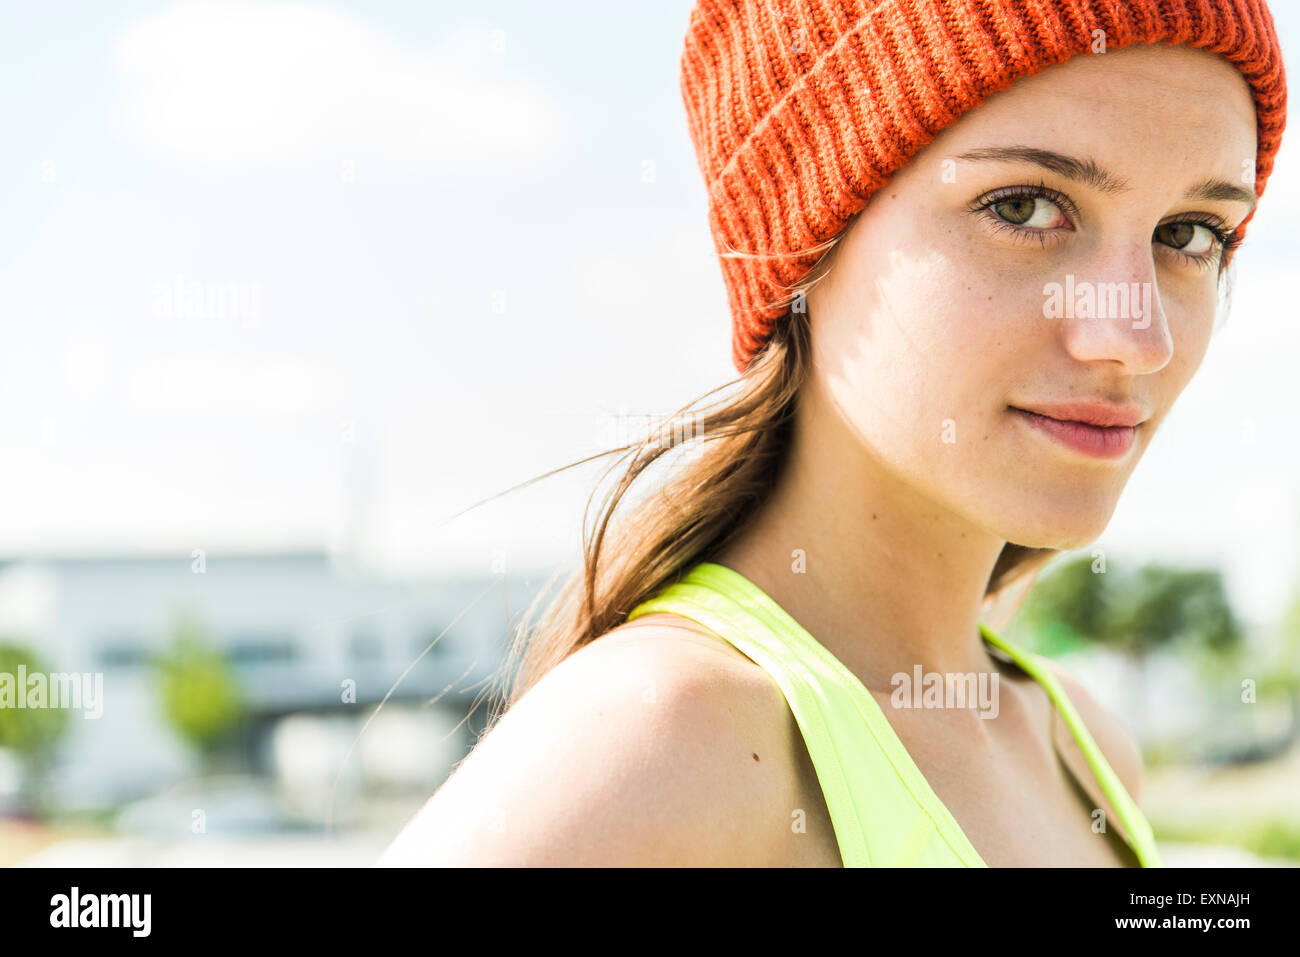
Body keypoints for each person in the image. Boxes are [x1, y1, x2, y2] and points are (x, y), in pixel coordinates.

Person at [379, 0, 1287, 866]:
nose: (1135, 336)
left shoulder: (1081, 749)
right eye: (1024, 207)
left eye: (1193, 232)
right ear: (803, 247)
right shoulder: (665, 735)